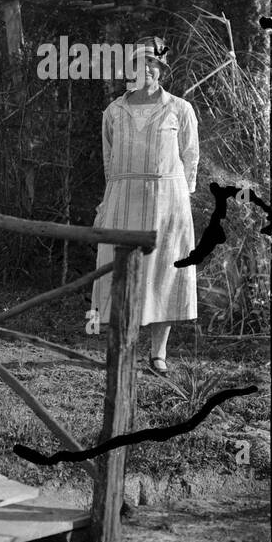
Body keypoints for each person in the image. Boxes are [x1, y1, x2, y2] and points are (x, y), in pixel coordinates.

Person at [90, 37, 198, 374]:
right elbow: (109, 162)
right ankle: (123, 350)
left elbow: (190, 156)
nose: (146, 70)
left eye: (152, 64)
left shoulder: (180, 109)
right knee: (119, 271)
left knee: (163, 272)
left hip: (167, 201)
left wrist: (180, 198)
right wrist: (111, 197)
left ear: (161, 71)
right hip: (123, 197)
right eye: (138, 65)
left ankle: (157, 353)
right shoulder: (114, 111)